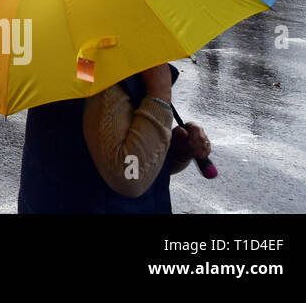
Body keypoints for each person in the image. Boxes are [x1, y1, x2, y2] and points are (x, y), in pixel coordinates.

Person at [18, 62, 212, 213]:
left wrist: (175, 150)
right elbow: (129, 176)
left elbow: (81, 153)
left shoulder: (67, 59)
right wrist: (159, 96)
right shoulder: (108, 77)